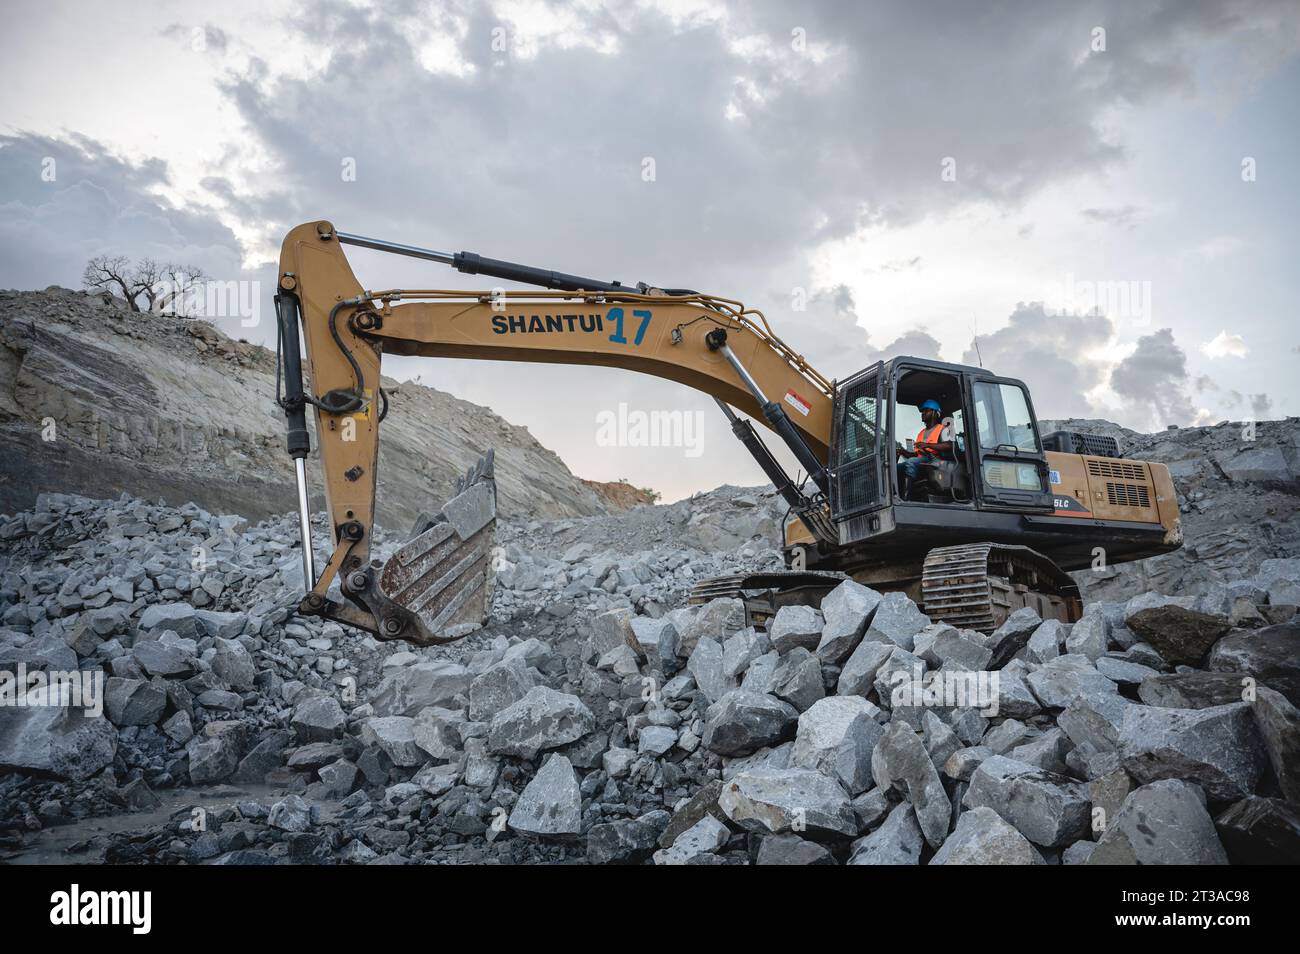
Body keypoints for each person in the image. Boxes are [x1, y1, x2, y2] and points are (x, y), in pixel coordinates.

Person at [896, 399, 954, 500]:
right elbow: (917, 455)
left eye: (926, 410)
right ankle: (897, 495)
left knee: (911, 462)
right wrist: (903, 452)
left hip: (935, 459)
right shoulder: (921, 433)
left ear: (936, 413)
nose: (923, 413)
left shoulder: (944, 429)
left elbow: (949, 445)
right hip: (923, 460)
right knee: (896, 468)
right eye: (922, 411)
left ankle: (906, 497)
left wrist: (927, 445)